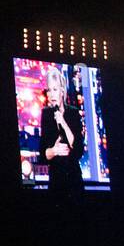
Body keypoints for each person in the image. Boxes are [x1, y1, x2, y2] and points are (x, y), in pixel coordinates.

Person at [41, 66, 84, 198]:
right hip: (56, 183)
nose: (52, 94)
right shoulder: (46, 114)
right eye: (49, 90)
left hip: (74, 180)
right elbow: (43, 155)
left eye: (55, 89)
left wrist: (63, 122)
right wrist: (54, 150)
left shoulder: (73, 112)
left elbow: (78, 149)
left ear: (62, 91)